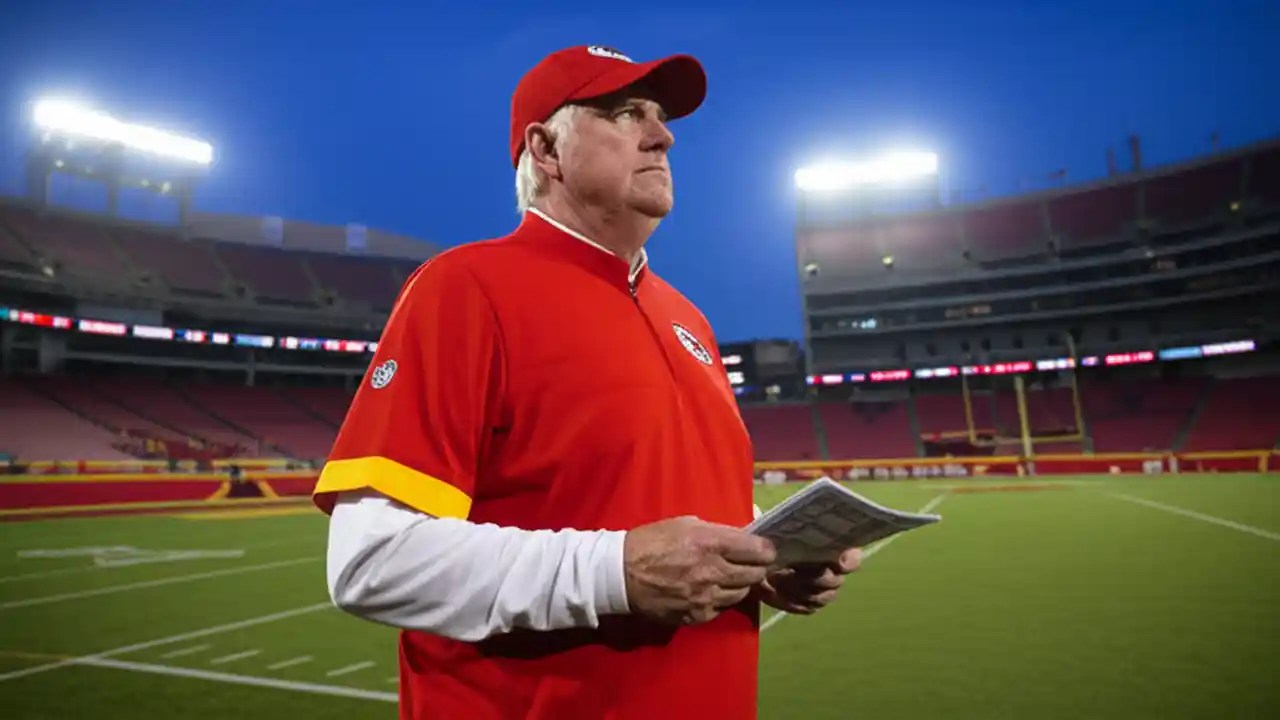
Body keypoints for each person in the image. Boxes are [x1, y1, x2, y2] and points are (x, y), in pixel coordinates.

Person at [314, 45, 862, 720]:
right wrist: (616, 573)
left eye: (659, 117)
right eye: (626, 112)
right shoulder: (464, 288)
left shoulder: (688, 319)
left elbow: (656, 503)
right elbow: (370, 562)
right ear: (546, 149)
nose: (662, 135)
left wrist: (761, 556)